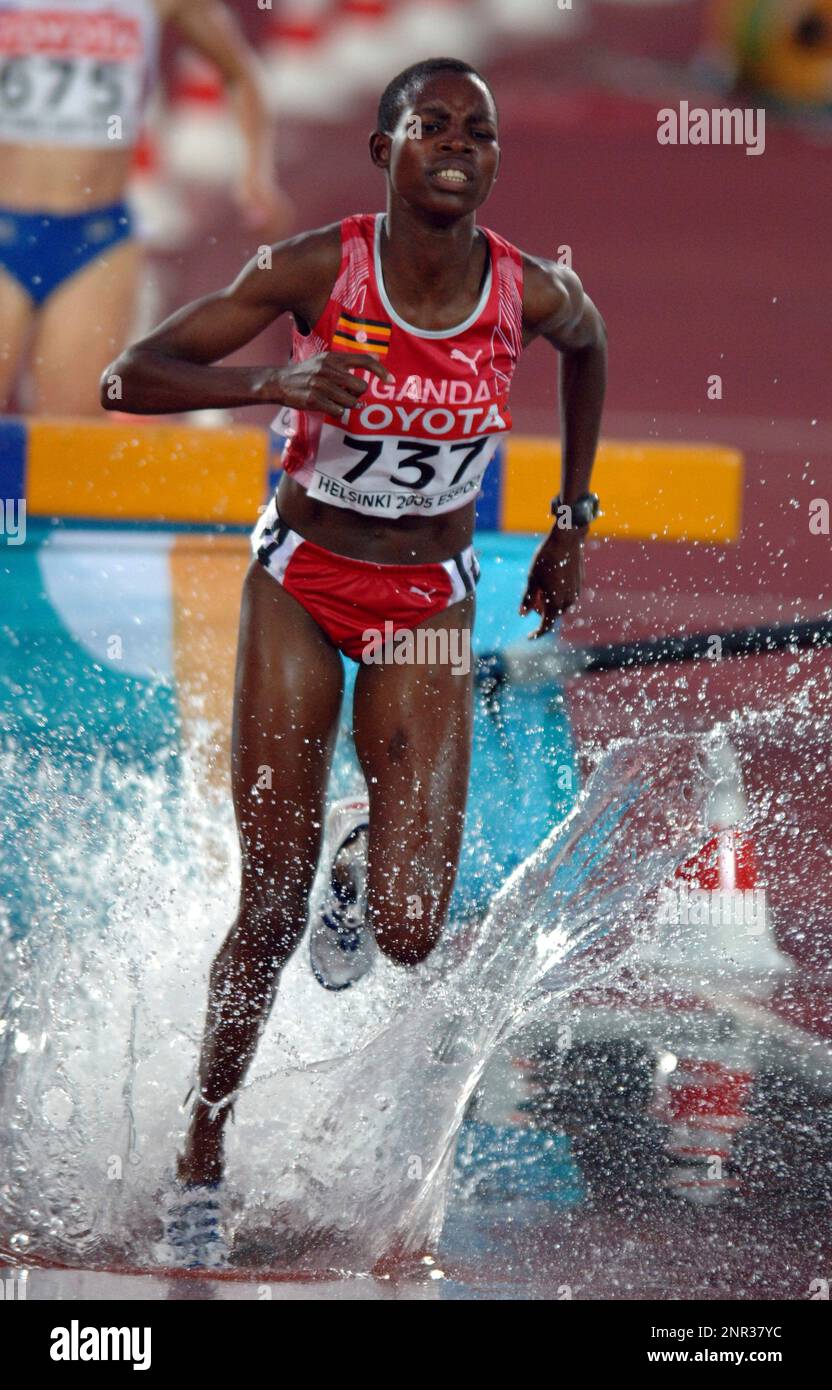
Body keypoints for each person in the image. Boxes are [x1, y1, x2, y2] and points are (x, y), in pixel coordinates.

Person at [102, 55, 607, 1267]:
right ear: (384, 148)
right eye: (430, 123)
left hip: (427, 602)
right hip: (302, 586)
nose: (458, 142)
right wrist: (272, 375)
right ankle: (200, 1161)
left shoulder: (524, 293)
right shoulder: (316, 271)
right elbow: (130, 377)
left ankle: (358, 850)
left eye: (478, 130)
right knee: (266, 913)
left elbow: (589, 344)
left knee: (414, 927)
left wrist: (569, 518)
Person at [0, 0, 290, 415]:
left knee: (70, 436)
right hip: (5, 223)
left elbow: (240, 73)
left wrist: (256, 175)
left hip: (95, 238)